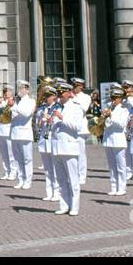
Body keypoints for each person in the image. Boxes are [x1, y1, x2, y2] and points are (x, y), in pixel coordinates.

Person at [52, 81, 85, 216]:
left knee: (73, 179)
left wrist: (62, 117)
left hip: (69, 147)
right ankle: (64, 205)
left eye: (62, 93)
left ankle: (74, 206)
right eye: (59, 93)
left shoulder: (76, 108)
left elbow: (77, 126)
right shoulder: (57, 107)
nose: (60, 95)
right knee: (60, 179)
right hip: (57, 147)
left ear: (69, 93)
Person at [102, 84, 129, 196]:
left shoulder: (124, 110)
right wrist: (105, 117)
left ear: (120, 99)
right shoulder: (109, 109)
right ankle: (114, 187)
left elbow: (122, 124)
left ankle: (122, 187)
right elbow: (106, 125)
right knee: (112, 166)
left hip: (118, 140)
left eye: (115, 98)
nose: (113, 100)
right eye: (112, 98)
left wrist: (111, 115)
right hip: (108, 140)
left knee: (121, 166)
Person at [8, 80, 35, 189]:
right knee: (17, 158)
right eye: (18, 88)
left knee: (27, 159)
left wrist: (14, 106)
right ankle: (21, 179)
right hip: (15, 133)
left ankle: (28, 180)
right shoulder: (16, 101)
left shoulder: (31, 101)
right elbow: (10, 116)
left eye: (22, 88)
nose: (19, 90)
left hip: (25, 134)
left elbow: (26, 114)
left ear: (27, 90)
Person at [37, 86, 59, 202]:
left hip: (53, 139)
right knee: (47, 169)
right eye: (45, 96)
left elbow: (59, 123)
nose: (46, 98)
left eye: (48, 96)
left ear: (54, 96)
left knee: (55, 169)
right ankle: (49, 192)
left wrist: (51, 120)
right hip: (43, 140)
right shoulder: (42, 108)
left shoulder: (58, 107)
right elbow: (38, 125)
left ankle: (57, 192)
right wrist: (41, 119)